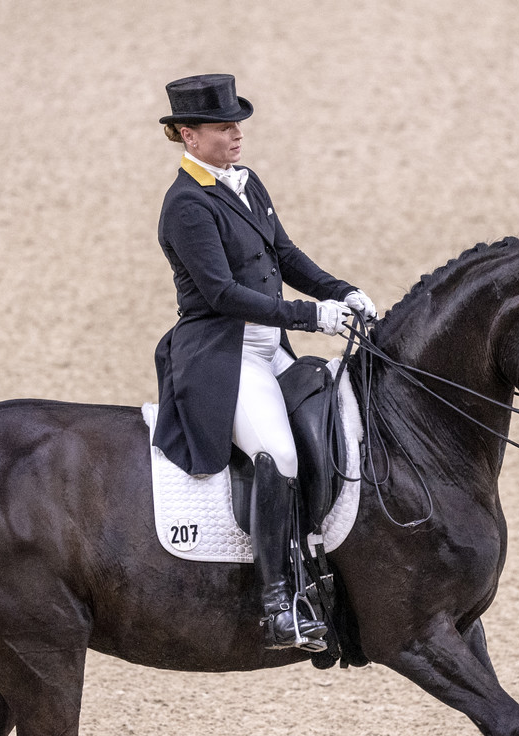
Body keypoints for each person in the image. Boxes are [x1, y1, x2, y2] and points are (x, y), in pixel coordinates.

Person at [151, 73, 377, 652]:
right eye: (223, 126)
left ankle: (321, 571)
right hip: (223, 354)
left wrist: (341, 290)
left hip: (270, 347)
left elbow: (285, 254)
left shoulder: (246, 184)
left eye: (238, 124)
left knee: (331, 426)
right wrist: (309, 317)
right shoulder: (186, 206)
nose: (235, 134)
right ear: (186, 135)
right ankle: (277, 601)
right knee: (275, 453)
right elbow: (223, 294)